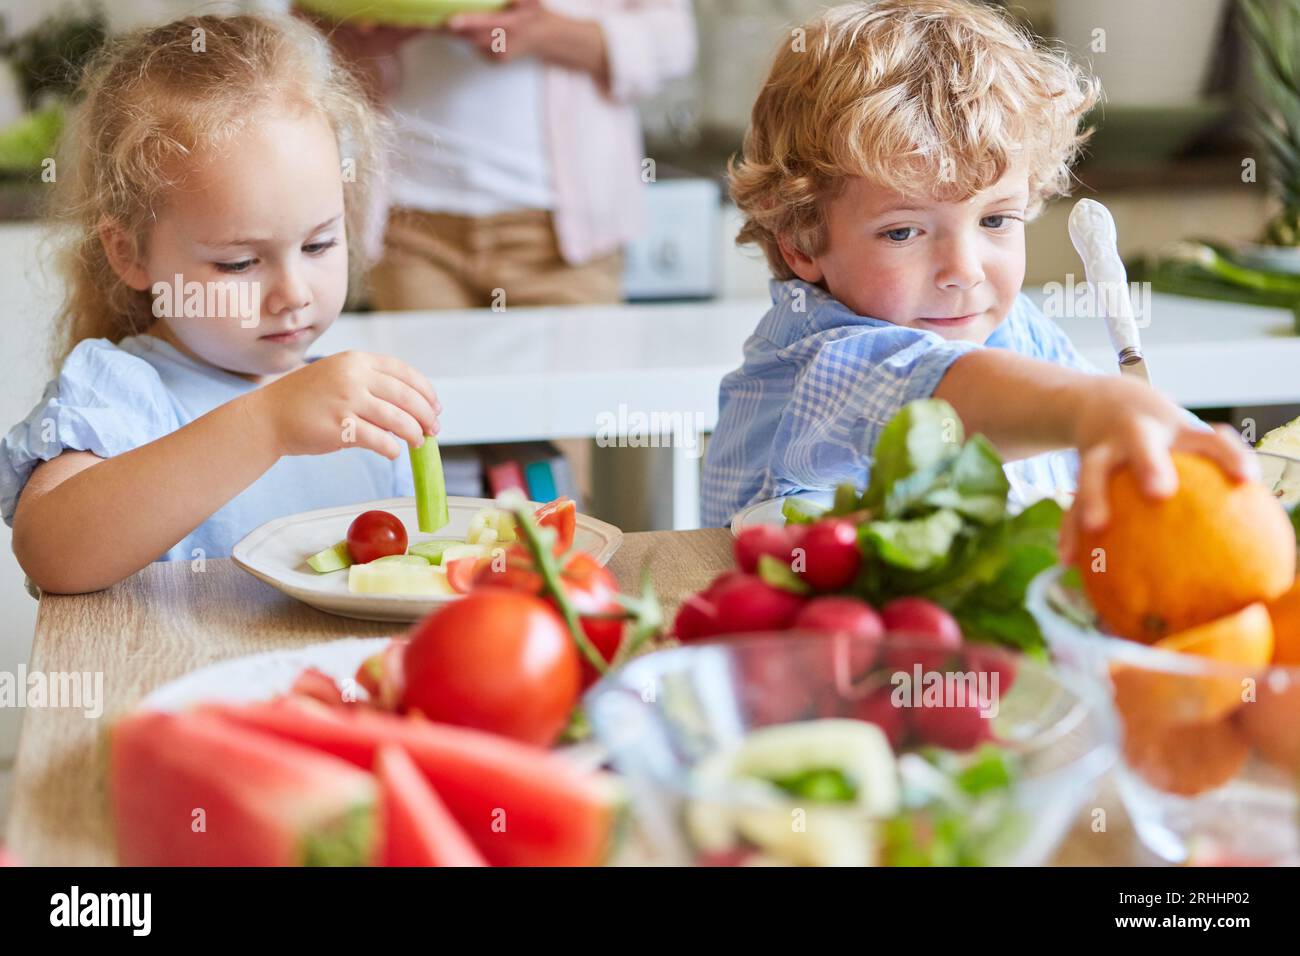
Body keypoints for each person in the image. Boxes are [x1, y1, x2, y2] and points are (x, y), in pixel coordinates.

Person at [700, 0, 1254, 558]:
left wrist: (1189, 455)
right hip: (810, 640)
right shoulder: (816, 358)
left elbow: (1140, 432)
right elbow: (937, 393)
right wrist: (1096, 409)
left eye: (994, 220)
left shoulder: (1014, 330)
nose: (964, 270)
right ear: (800, 239)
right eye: (903, 233)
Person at [0, 14, 441, 594]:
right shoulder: (123, 394)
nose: (294, 293)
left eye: (319, 244)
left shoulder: (353, 411)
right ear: (130, 253)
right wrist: (269, 423)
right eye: (239, 263)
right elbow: (52, 554)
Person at [318, 0, 697, 310]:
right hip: (412, 227)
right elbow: (307, 39)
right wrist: (363, 38)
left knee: (572, 399)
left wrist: (547, 33)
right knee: (426, 399)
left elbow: (674, 42)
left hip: (561, 240)